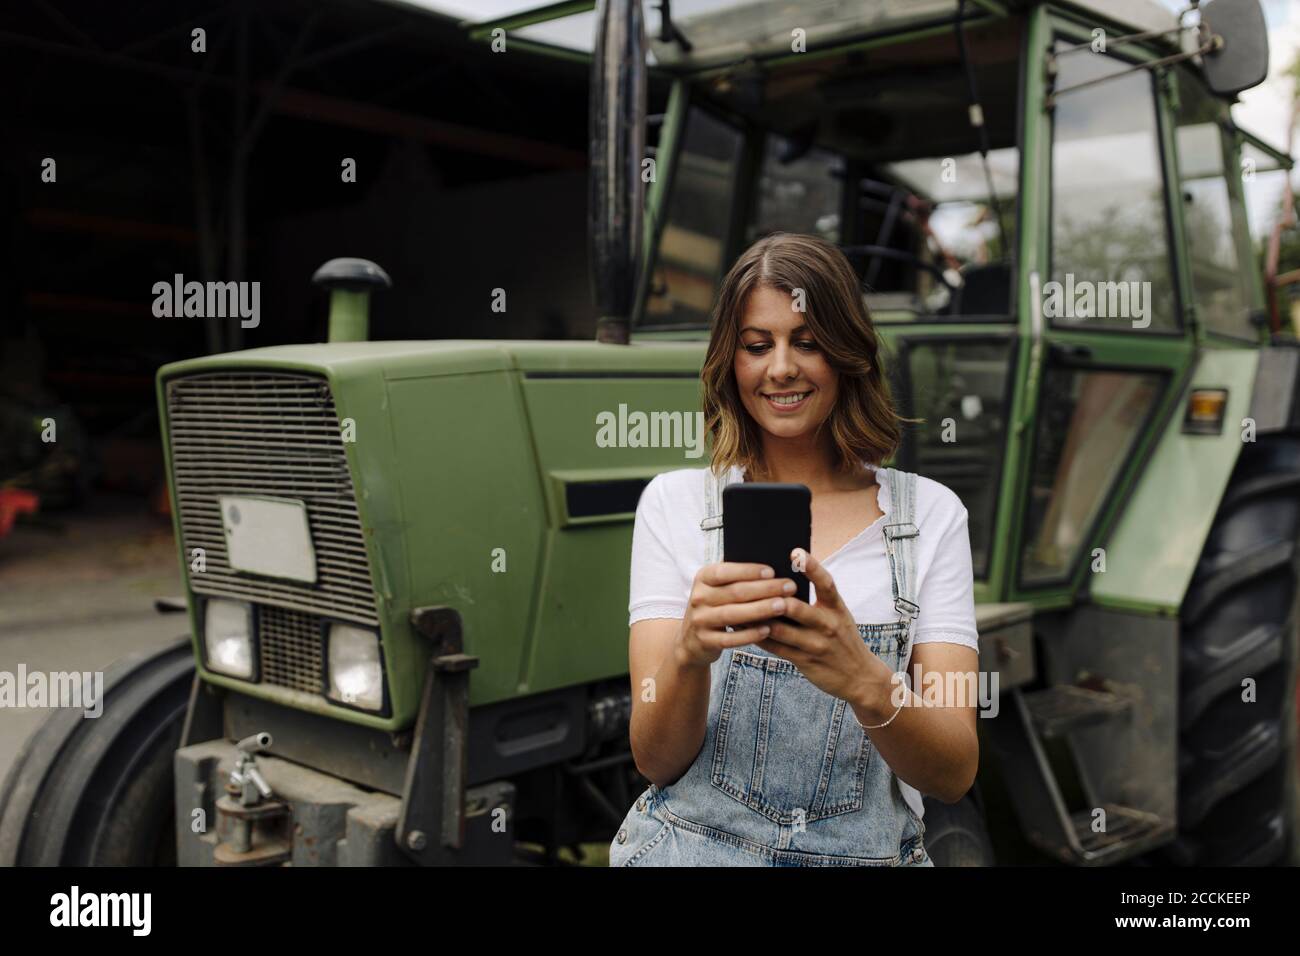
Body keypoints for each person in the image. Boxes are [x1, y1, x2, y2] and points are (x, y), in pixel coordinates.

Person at [610, 232, 979, 866]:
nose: (781, 367)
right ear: (732, 361)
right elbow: (655, 759)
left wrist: (864, 677)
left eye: (806, 342)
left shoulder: (930, 517)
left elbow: (953, 771)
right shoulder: (673, 506)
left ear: (846, 354)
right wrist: (690, 655)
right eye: (757, 346)